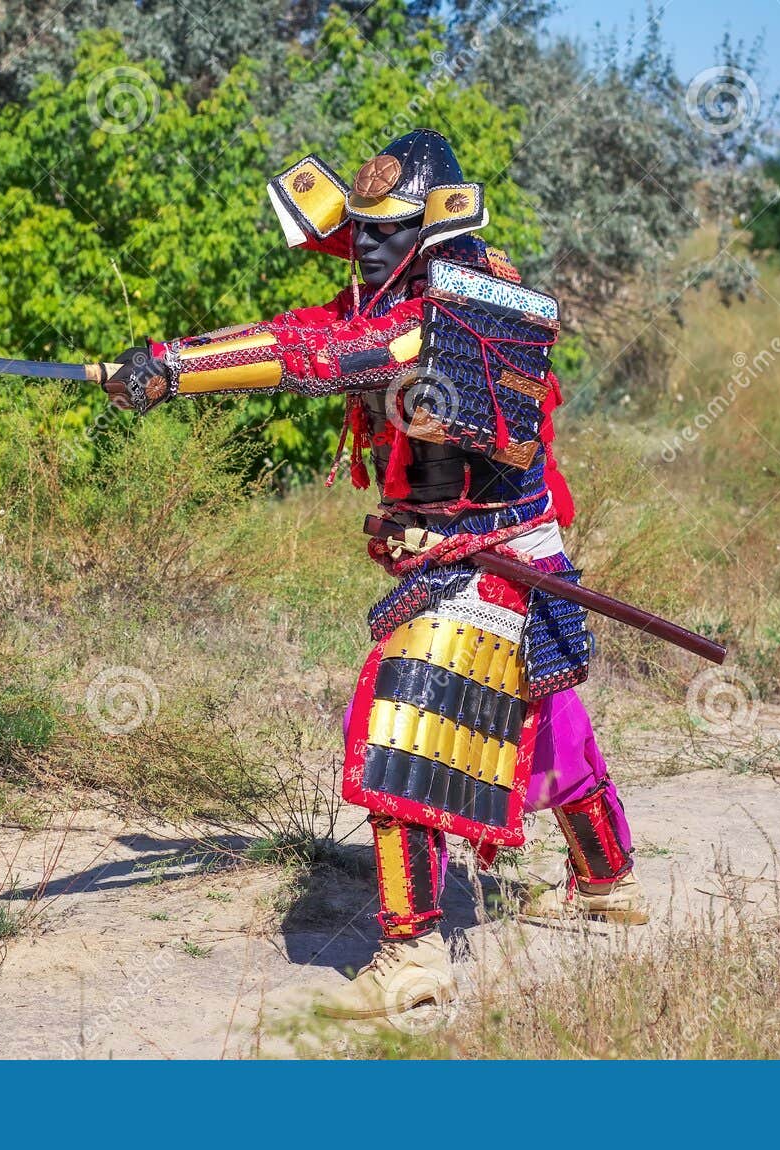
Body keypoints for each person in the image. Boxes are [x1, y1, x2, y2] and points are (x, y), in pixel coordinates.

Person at [105, 129, 646, 1021]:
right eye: (358, 226)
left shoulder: (456, 303)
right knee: (547, 733)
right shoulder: (404, 288)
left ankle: (411, 951)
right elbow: (321, 330)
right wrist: (169, 361)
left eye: (383, 230)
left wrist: (180, 369)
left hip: (488, 557)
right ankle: (608, 883)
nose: (362, 244)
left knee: (398, 723)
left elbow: (329, 357)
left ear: (432, 228)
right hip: (503, 547)